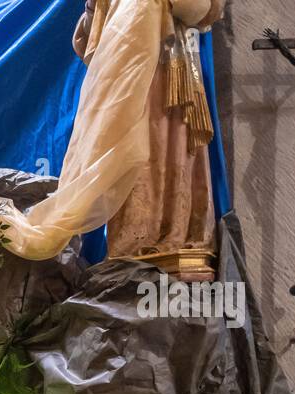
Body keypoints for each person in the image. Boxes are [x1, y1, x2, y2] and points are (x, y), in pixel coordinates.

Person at [72, 0, 225, 280]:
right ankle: (132, 243)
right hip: (128, 75)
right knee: (132, 159)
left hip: (171, 72)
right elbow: (89, 44)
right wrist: (94, 10)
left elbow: (204, 11)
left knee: (174, 149)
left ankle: (176, 235)